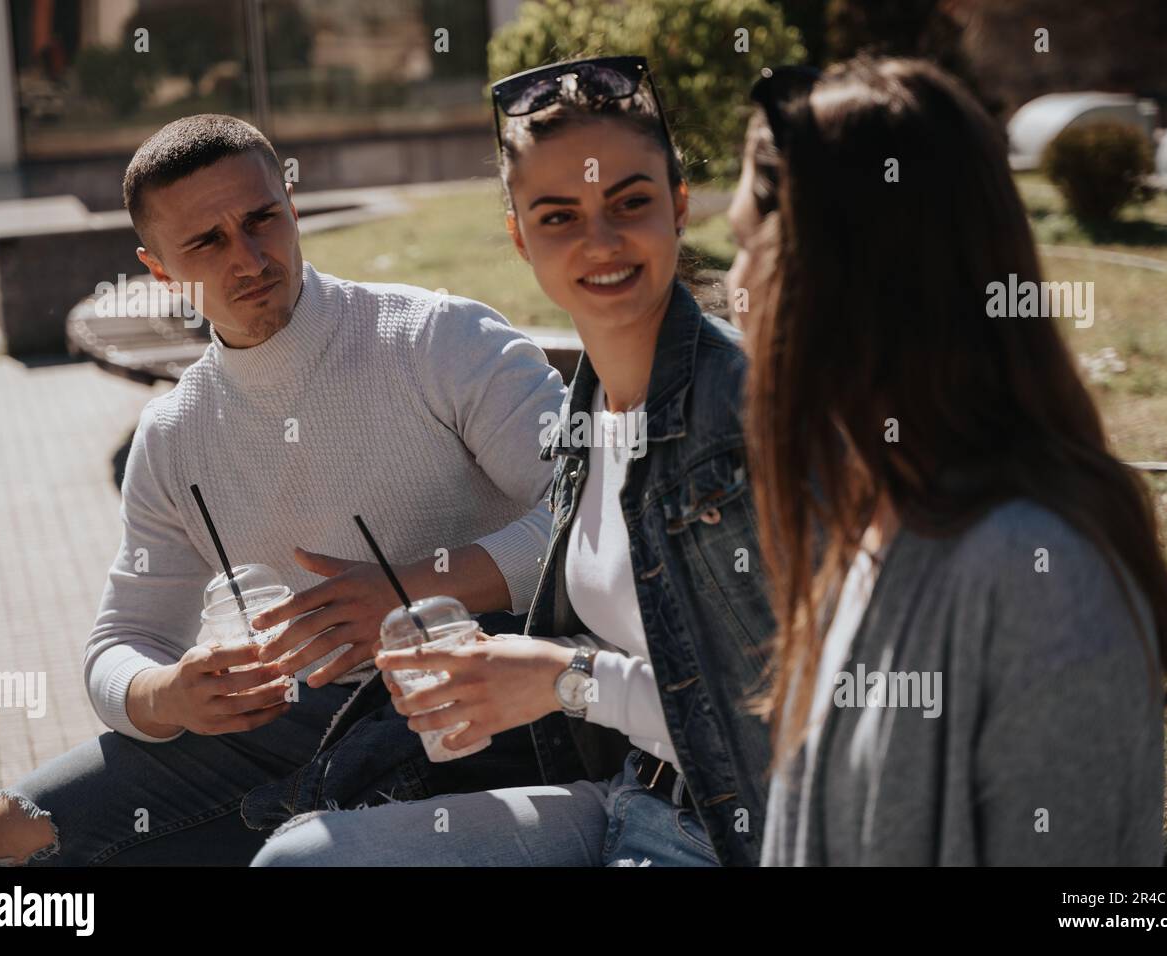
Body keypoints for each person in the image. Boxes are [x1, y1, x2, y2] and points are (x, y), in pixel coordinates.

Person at [0, 113, 586, 866]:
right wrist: (168, 695)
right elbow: (118, 643)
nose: (249, 256)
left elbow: (599, 513)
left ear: (292, 210)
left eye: (263, 218)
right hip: (296, 720)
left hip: (483, 698)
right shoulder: (172, 435)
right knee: (14, 835)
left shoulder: (440, 339)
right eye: (207, 242)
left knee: (298, 846)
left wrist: (413, 589)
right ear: (159, 269)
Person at [252, 56, 776, 867]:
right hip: (629, 794)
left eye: (630, 203)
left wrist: (567, 680)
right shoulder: (587, 406)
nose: (600, 242)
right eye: (559, 216)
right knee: (301, 860)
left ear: (679, 204)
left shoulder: (750, 413)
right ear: (519, 237)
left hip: (732, 831)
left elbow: (793, 718)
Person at [729, 57, 1167, 866]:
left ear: (826, 282)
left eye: (744, 246)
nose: (733, 285)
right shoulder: (873, 523)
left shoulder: (1038, 584)